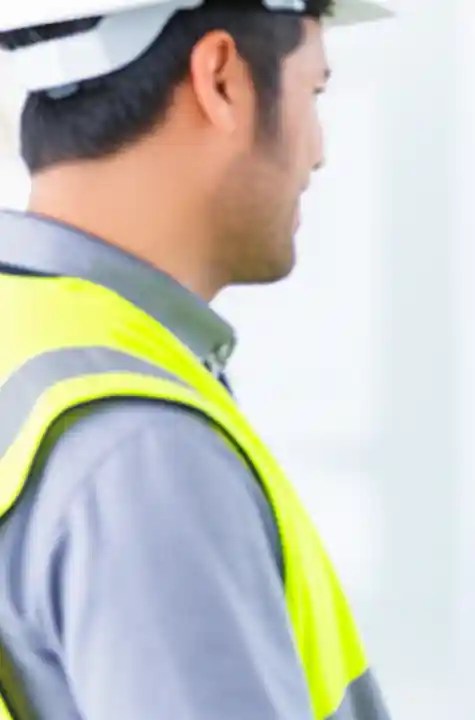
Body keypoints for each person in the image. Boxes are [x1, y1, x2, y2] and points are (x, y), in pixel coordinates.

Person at [0, 1, 393, 718]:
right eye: (315, 91)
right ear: (220, 79)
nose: (319, 151)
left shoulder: (22, 346)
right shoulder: (138, 452)